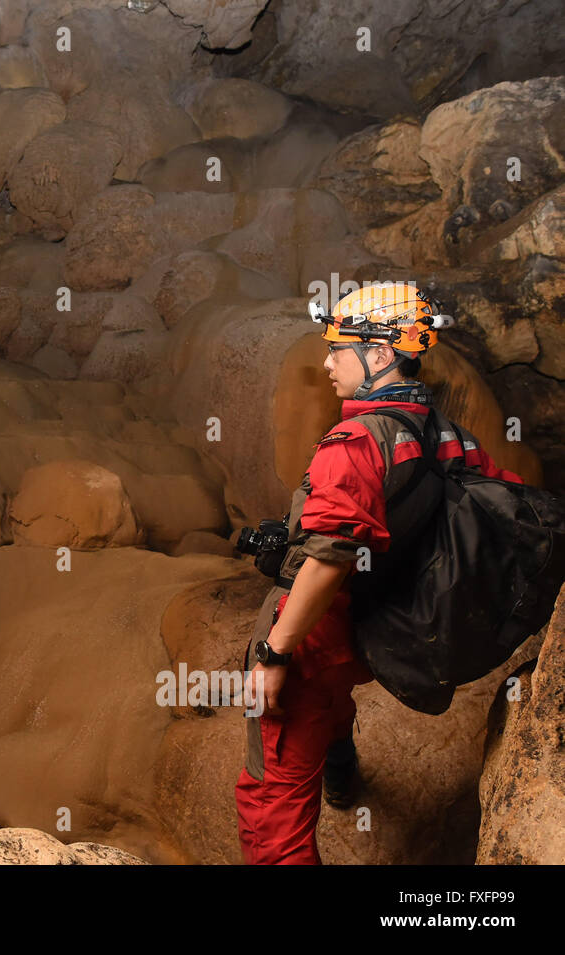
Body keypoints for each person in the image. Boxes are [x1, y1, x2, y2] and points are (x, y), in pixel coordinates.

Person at [233, 282, 523, 865]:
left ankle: (327, 767)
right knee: (335, 696)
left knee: (272, 815)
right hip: (379, 628)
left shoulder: (354, 442)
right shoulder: (446, 435)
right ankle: (340, 769)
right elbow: (502, 500)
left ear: (381, 355)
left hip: (318, 635)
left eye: (338, 348)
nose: (326, 361)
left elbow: (328, 557)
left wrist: (273, 656)